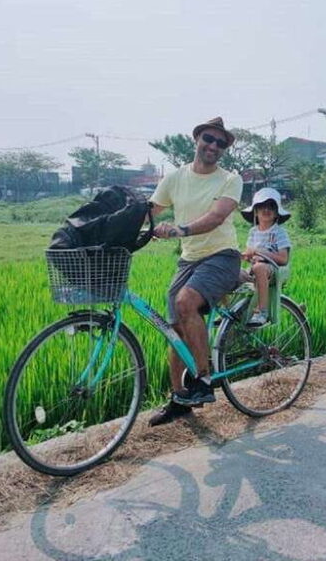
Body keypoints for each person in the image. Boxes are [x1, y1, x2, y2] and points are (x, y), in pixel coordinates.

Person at [147, 117, 244, 426]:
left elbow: (216, 217)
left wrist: (180, 230)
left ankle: (203, 379)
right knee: (175, 332)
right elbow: (150, 211)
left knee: (186, 302)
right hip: (189, 260)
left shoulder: (230, 179)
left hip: (223, 256)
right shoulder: (174, 179)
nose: (213, 146)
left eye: (220, 143)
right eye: (208, 139)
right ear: (197, 139)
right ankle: (179, 398)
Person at [240, 187, 292, 327]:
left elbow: (283, 259)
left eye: (271, 206)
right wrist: (246, 256)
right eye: (262, 206)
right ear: (255, 212)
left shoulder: (279, 232)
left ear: (276, 213)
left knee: (259, 267)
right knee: (230, 271)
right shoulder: (253, 232)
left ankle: (262, 311)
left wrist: (260, 253)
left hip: (273, 270)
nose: (266, 209)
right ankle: (231, 313)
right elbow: (249, 253)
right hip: (254, 268)